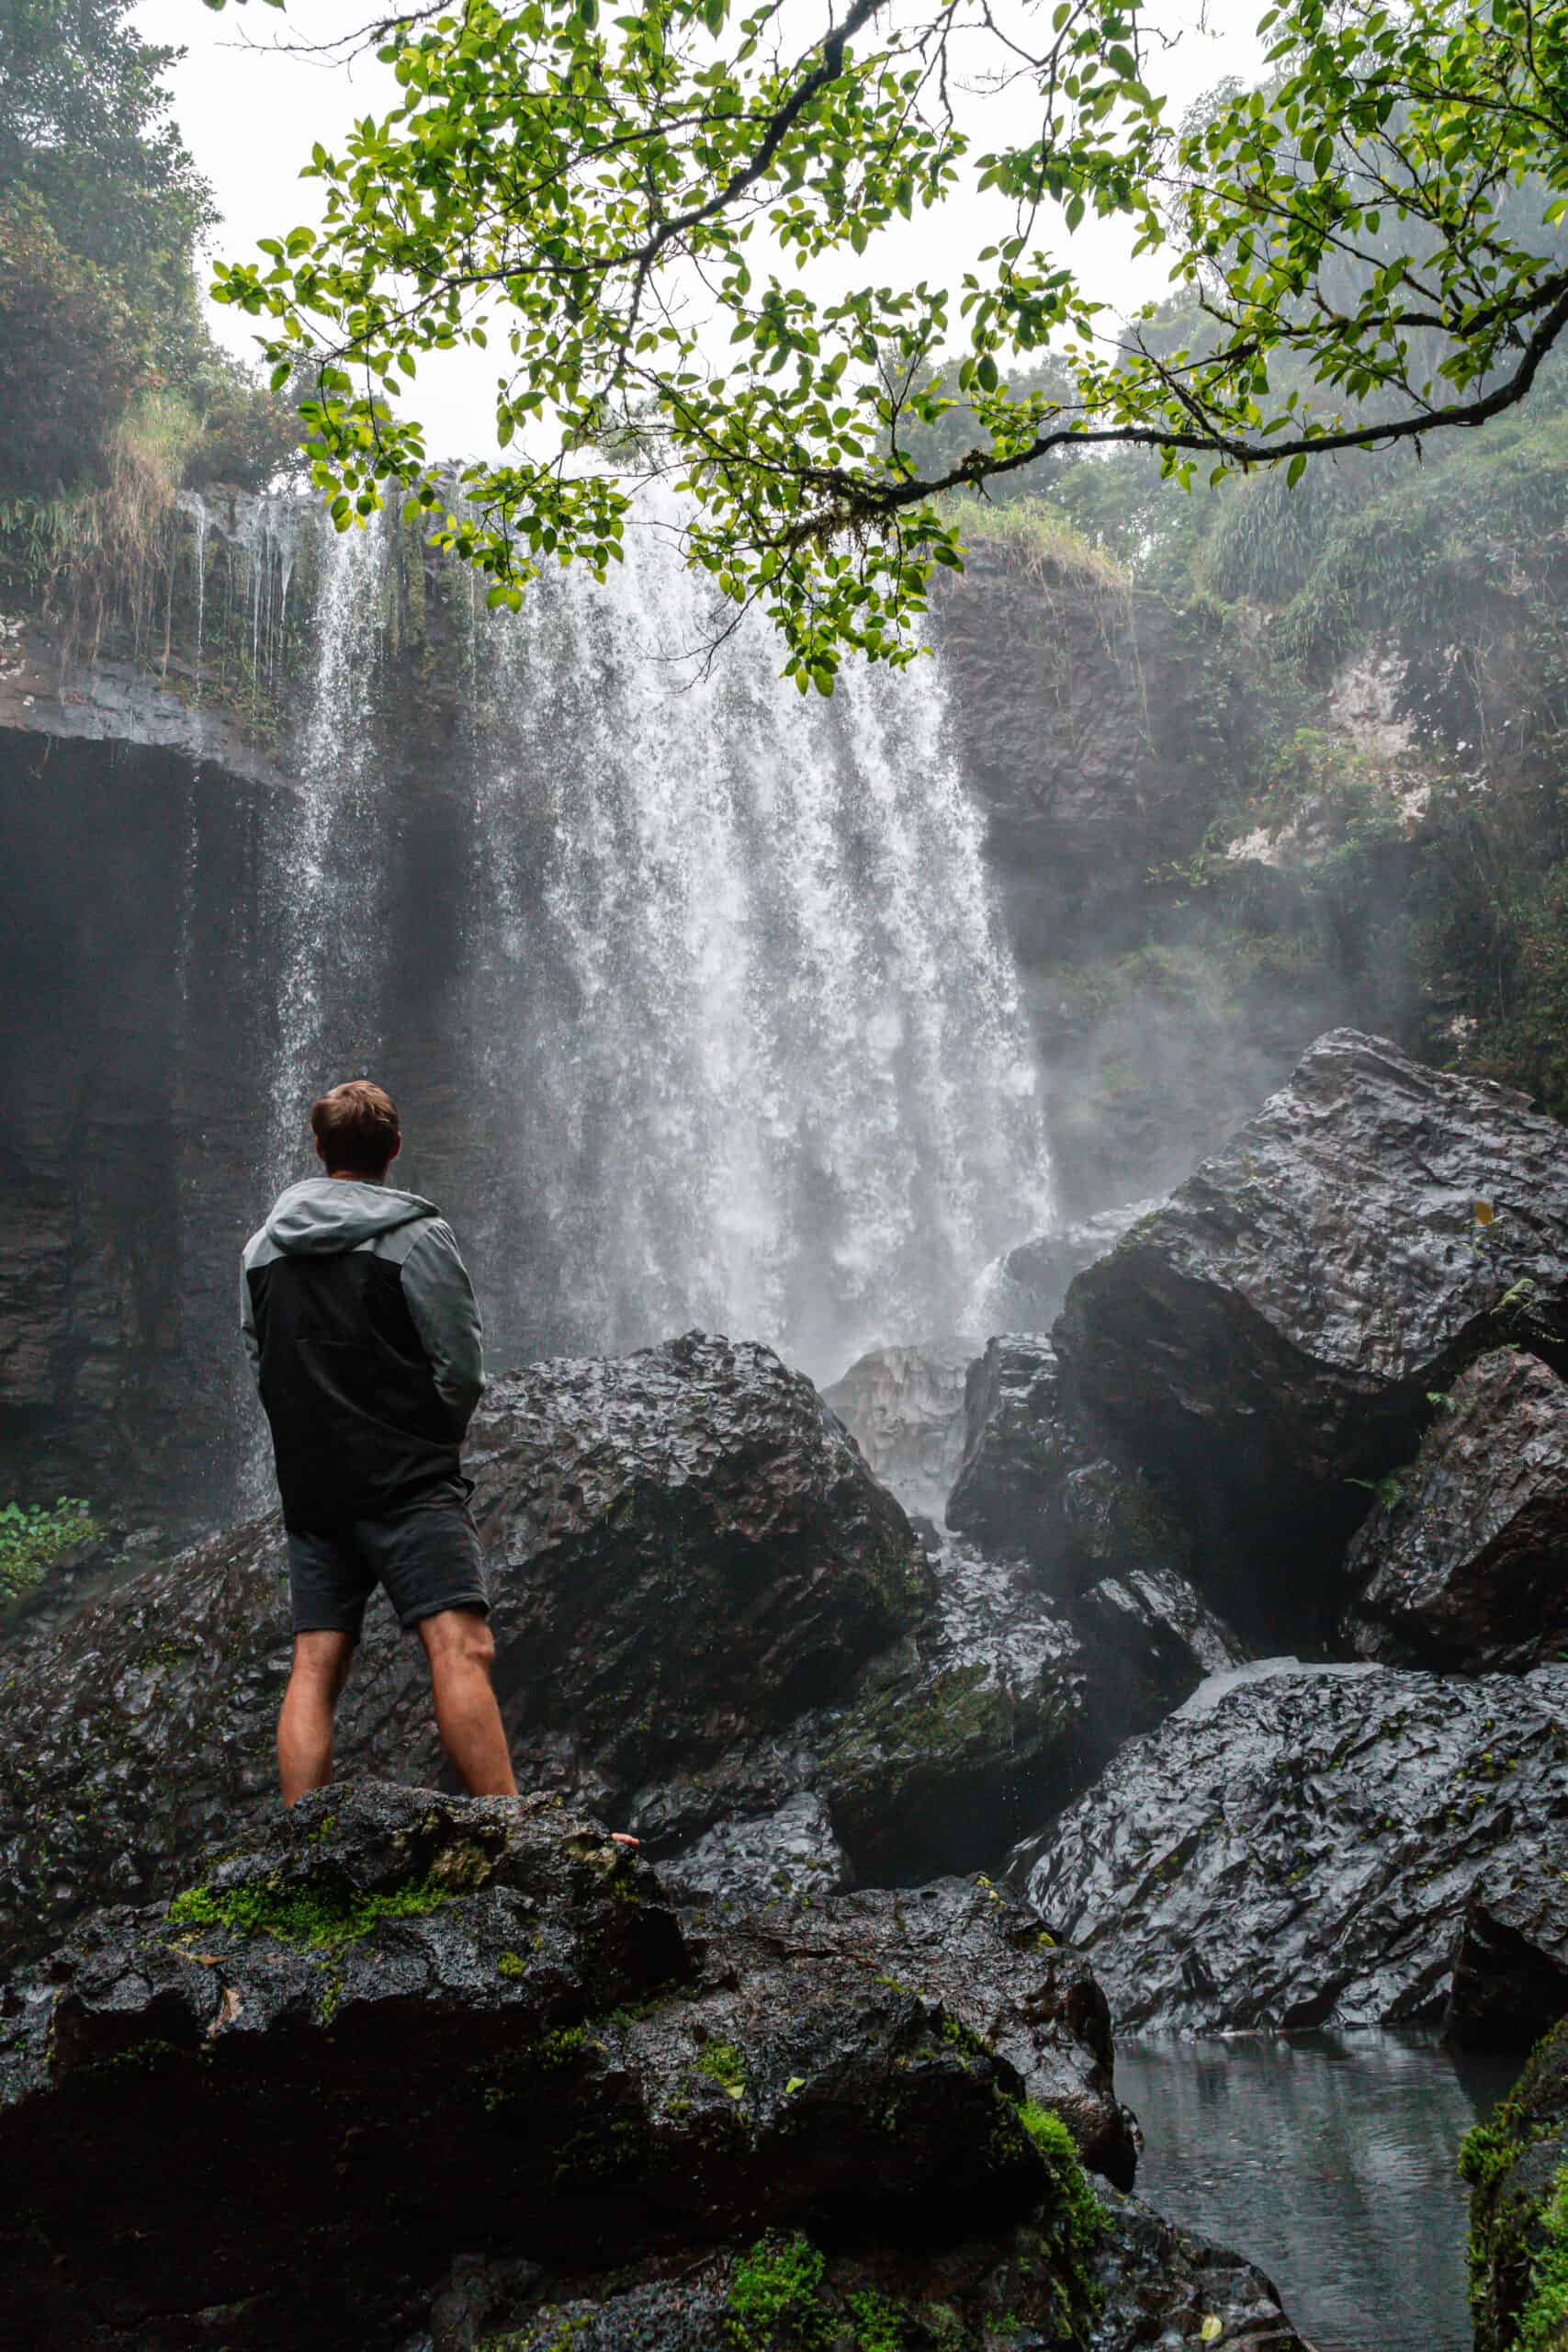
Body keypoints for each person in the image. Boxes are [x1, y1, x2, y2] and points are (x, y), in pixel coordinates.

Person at [241, 1079, 517, 1806]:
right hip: (407, 1478)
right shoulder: (419, 1237)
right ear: (394, 1149)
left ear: (318, 1147)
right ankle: (514, 1829)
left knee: (314, 1664)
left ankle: (301, 1848)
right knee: (460, 1646)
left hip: (314, 1486)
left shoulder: (261, 1250)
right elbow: (459, 1365)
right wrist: (435, 1440)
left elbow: (260, 1357)